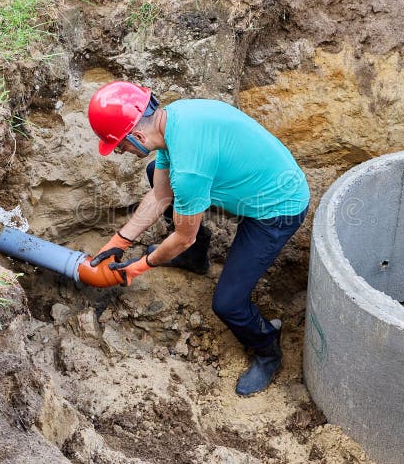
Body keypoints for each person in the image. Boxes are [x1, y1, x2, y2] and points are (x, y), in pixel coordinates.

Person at [87, 81, 310, 396]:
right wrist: (118, 242)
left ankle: (267, 350)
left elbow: (182, 237)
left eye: (120, 145)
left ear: (136, 136)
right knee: (156, 174)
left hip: (276, 209)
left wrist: (139, 266)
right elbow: (162, 194)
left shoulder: (189, 171)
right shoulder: (172, 122)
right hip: (252, 182)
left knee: (228, 303)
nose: (120, 152)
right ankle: (196, 260)